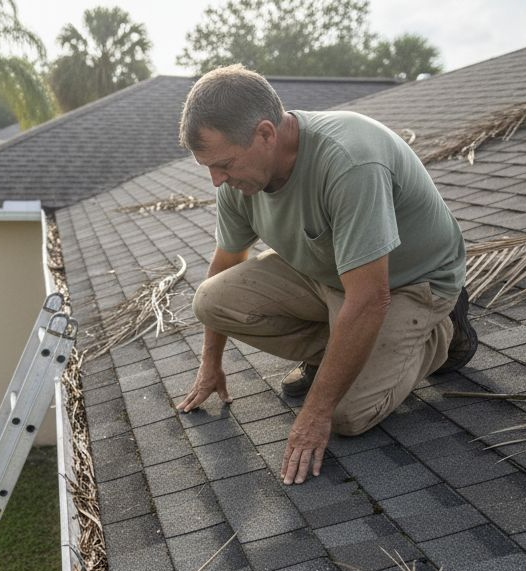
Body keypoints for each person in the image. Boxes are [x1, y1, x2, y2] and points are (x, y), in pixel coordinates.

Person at [173, 64, 477, 486]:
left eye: (223, 164)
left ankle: (441, 333)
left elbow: (370, 298)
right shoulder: (238, 182)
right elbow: (227, 261)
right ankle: (341, 350)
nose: (216, 180)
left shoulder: (349, 161)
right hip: (327, 274)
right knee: (210, 300)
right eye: (208, 167)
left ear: (265, 134)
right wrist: (210, 364)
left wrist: (314, 413)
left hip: (406, 283)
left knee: (345, 414)